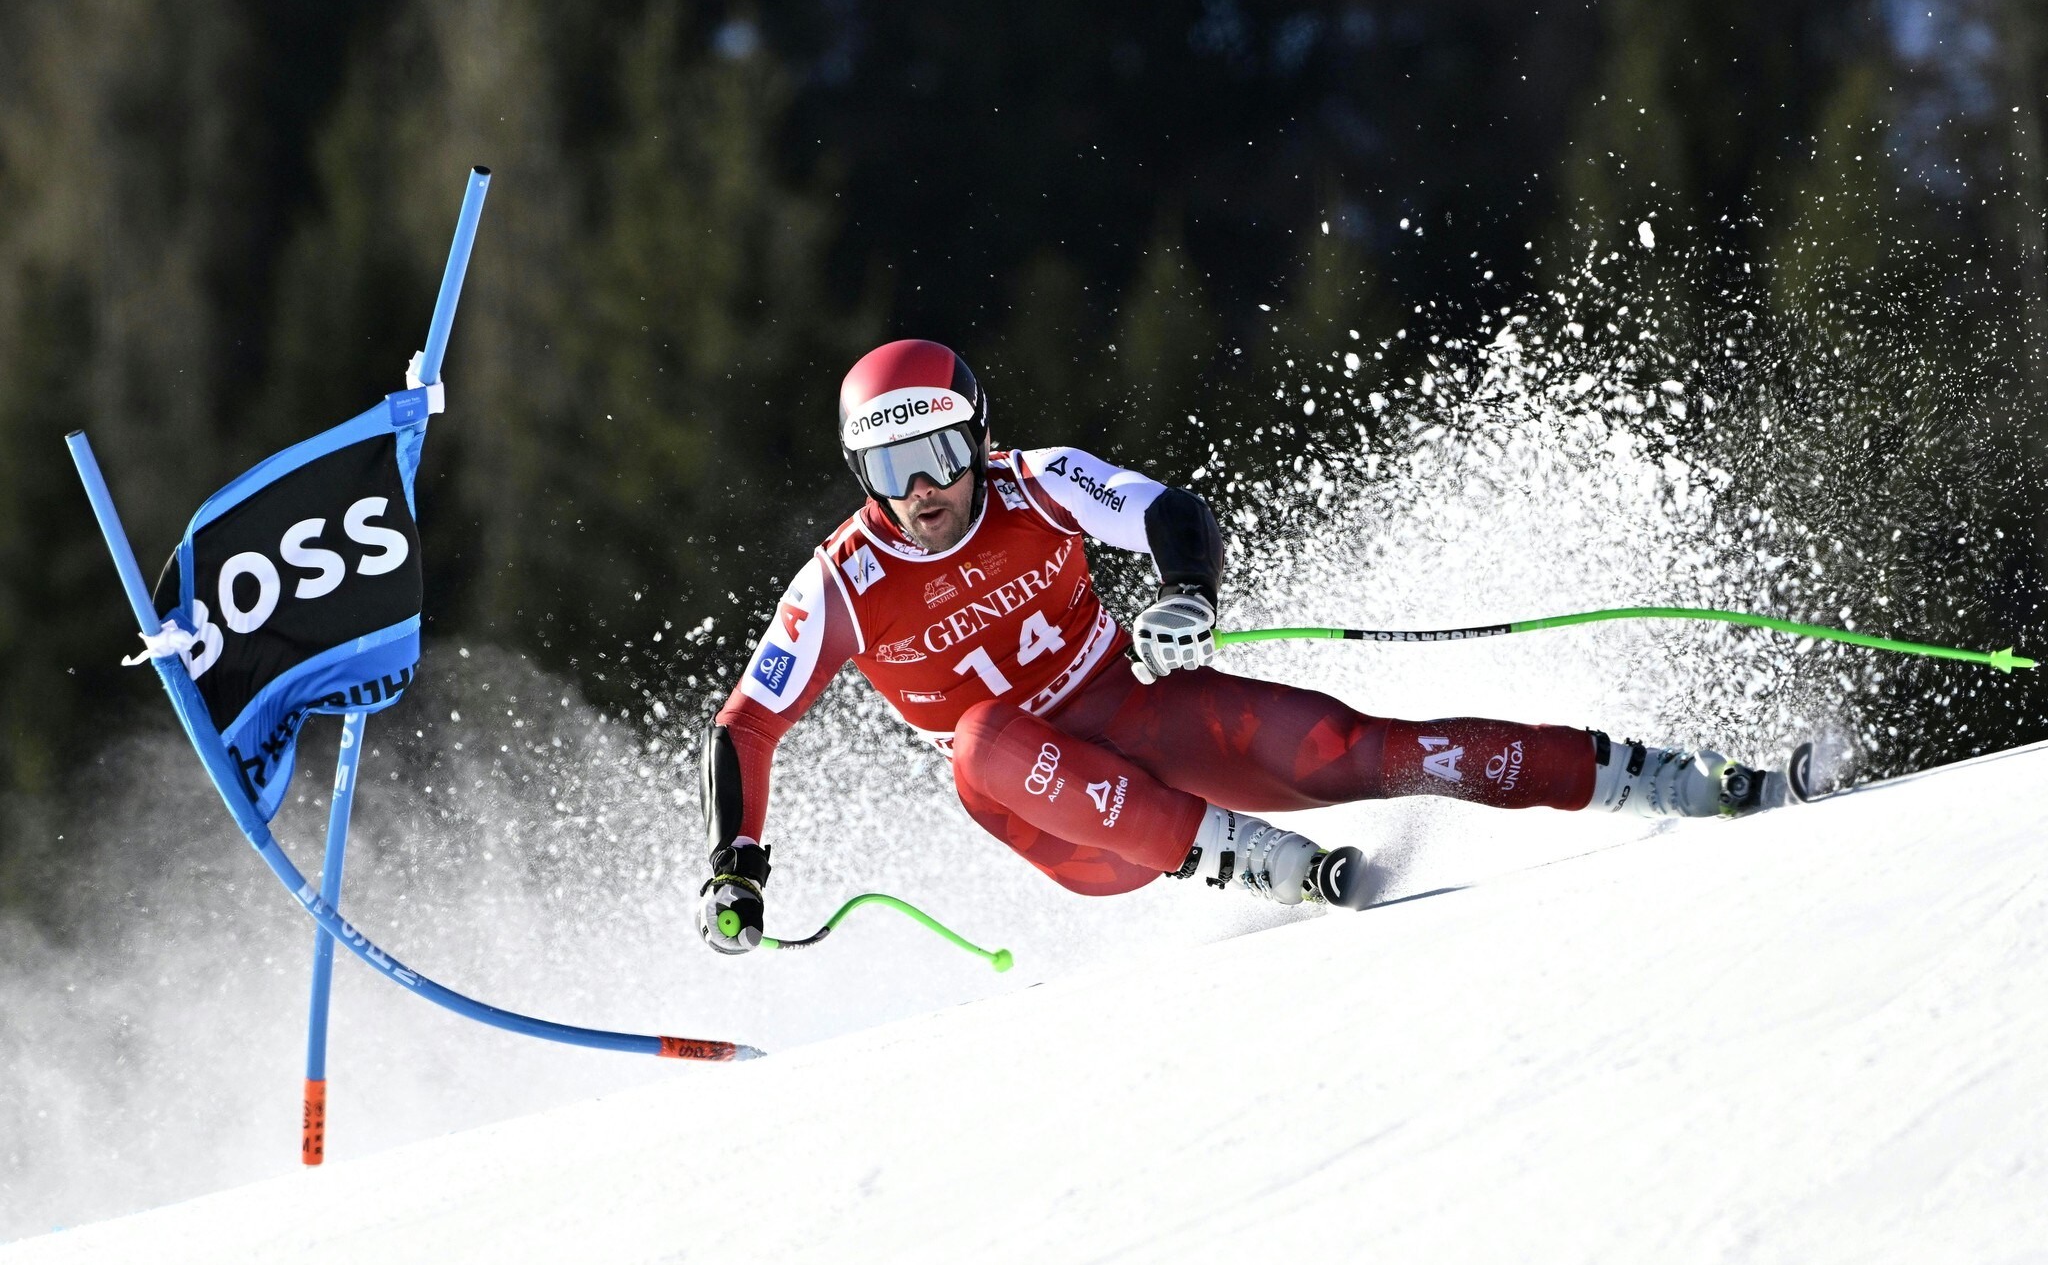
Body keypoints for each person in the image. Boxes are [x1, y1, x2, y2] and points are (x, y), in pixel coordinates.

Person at [696, 340, 1783, 953]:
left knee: (1357, 749)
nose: (921, 493)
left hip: (1137, 715)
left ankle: (1660, 778)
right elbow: (749, 723)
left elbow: (1172, 512)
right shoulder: (844, 576)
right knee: (976, 740)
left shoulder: (1036, 481)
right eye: (889, 474)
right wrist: (734, 868)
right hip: (1060, 812)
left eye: (937, 455)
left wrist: (1183, 597)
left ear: (976, 436)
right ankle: (1252, 860)